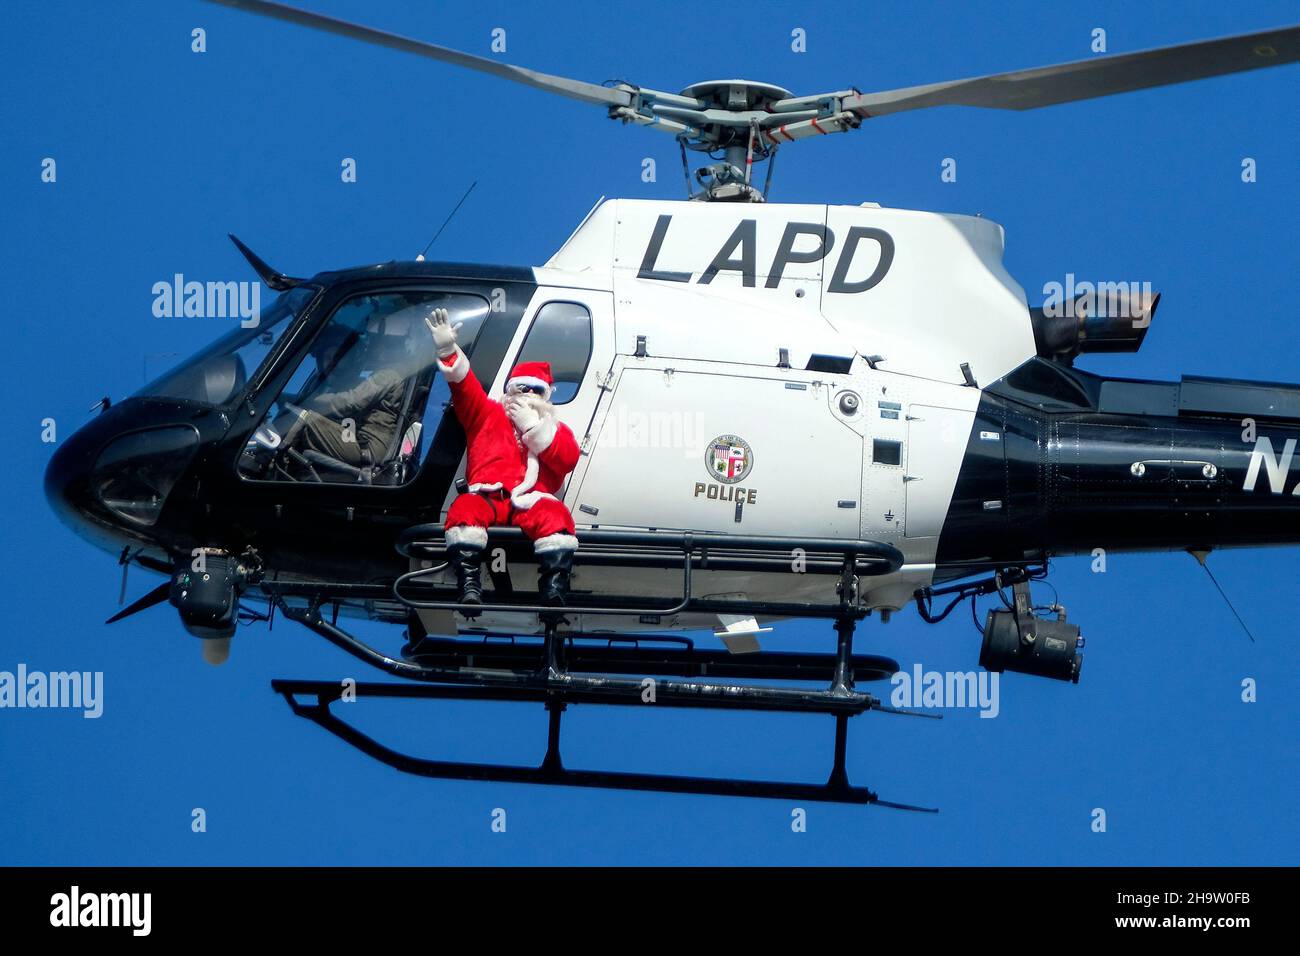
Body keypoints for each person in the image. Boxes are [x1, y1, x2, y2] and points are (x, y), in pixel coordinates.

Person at [425, 306, 580, 608]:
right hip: (488, 495)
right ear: (510, 390)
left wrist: (533, 428)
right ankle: (468, 580)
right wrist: (448, 350)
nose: (528, 395)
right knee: (465, 509)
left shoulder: (553, 428)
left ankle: (554, 589)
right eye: (522, 388)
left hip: (532, 500)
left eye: (537, 391)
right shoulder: (487, 414)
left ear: (546, 396)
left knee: (557, 518)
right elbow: (463, 387)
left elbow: (567, 460)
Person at [296, 313, 416, 467]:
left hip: (368, 447)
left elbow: (351, 402)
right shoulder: (396, 371)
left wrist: (310, 402)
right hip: (363, 442)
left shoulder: (389, 374)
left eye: (372, 342)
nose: (367, 348)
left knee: (301, 419)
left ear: (383, 343)